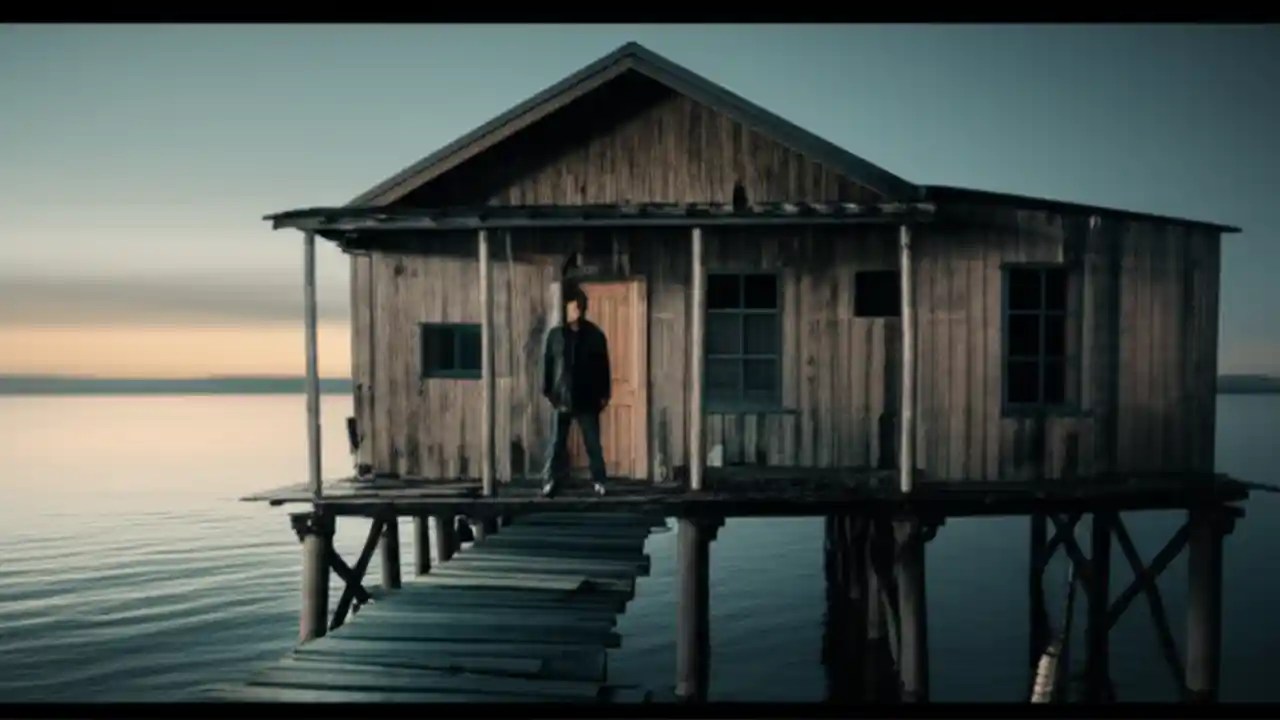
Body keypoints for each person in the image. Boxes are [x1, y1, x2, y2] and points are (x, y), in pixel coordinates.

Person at [540, 283, 611, 498]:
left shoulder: (595, 335)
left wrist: (604, 394)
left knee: (592, 443)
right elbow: (548, 365)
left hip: (587, 397)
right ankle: (549, 481)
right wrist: (548, 392)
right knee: (556, 444)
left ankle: (599, 480)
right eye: (572, 307)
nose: (576, 311)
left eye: (579, 307)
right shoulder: (555, 336)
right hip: (561, 397)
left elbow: (603, 367)